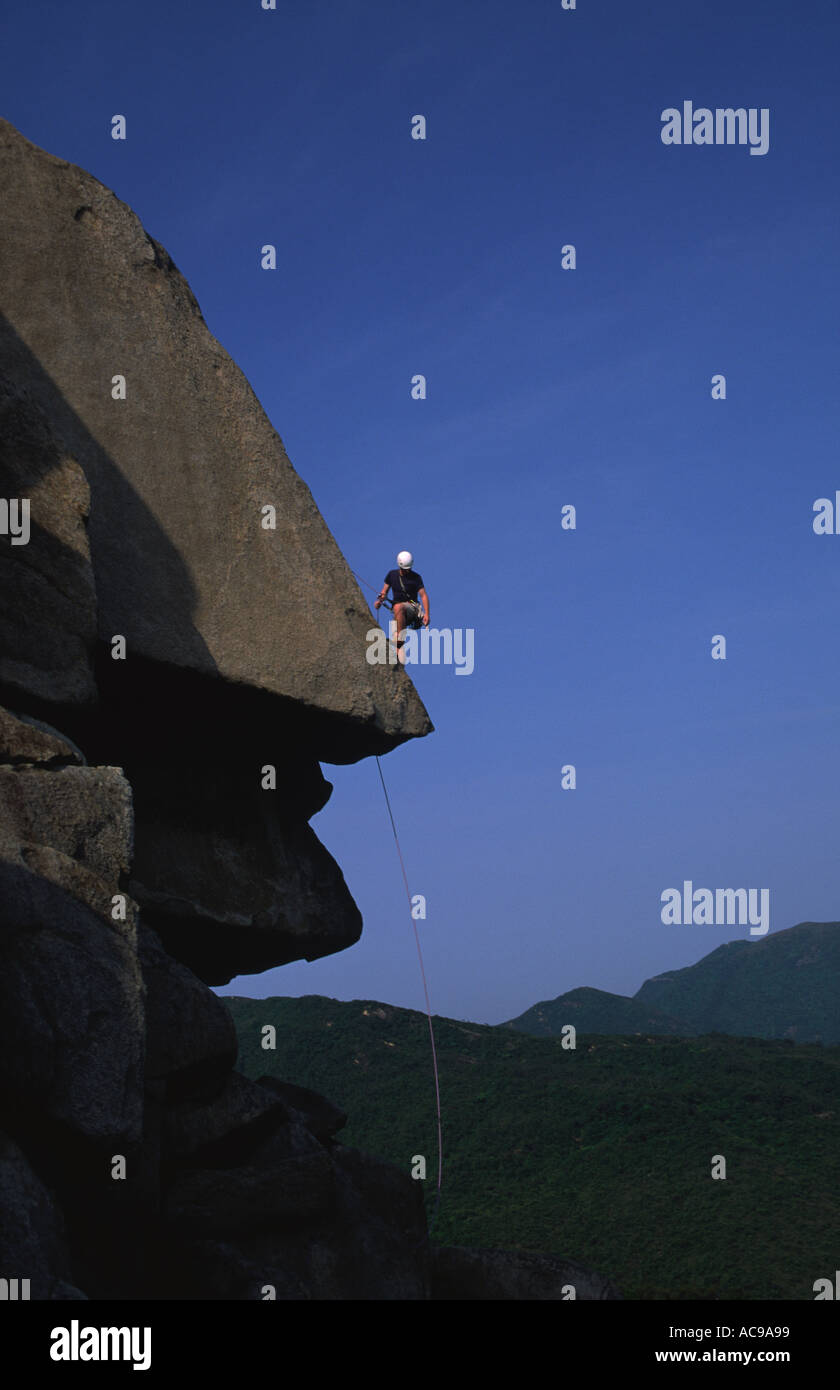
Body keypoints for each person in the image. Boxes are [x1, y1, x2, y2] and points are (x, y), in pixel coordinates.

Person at [374, 550, 430, 664]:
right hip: (398, 612)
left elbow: (423, 596)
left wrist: (427, 614)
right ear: (400, 566)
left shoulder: (416, 578)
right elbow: (384, 591)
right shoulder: (392, 575)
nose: (407, 571)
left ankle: (399, 642)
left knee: (398, 607)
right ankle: (400, 666)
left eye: (409, 569)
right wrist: (379, 601)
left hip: (412, 608)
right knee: (396, 641)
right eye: (405, 569)